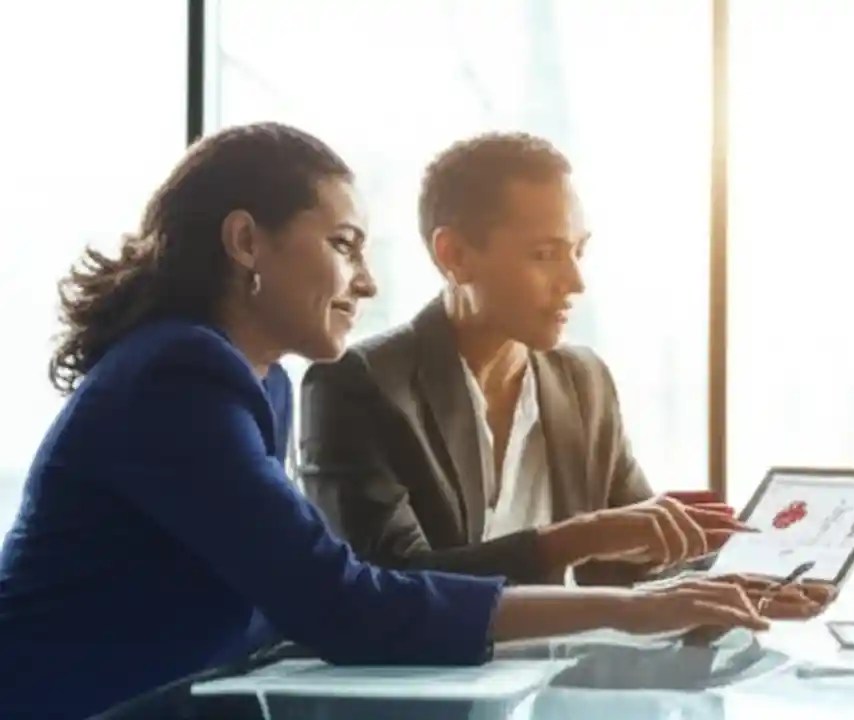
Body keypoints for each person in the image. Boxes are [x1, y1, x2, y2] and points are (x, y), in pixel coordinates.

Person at [0, 123, 776, 720]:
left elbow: (312, 595)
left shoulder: (253, 383)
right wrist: (628, 608)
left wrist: (695, 587)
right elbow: (343, 601)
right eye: (343, 246)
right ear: (245, 242)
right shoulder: (180, 379)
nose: (367, 282)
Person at [299, 132, 833, 608]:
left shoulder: (582, 381)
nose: (575, 281)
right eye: (546, 254)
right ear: (455, 254)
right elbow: (390, 586)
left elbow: (631, 564)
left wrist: (750, 581)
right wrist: (574, 538)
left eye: (579, 250)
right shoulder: (359, 384)